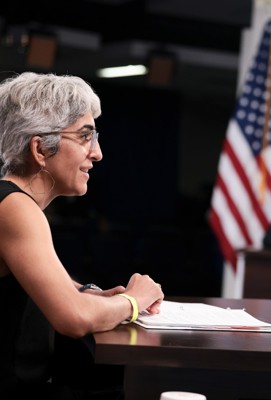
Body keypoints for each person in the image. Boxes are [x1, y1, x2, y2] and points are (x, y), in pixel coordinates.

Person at [0, 72, 164, 399]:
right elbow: (73, 318)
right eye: (85, 136)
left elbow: (38, 284)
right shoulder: (14, 207)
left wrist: (92, 294)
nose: (97, 153)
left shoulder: (11, 202)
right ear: (40, 149)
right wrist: (134, 301)